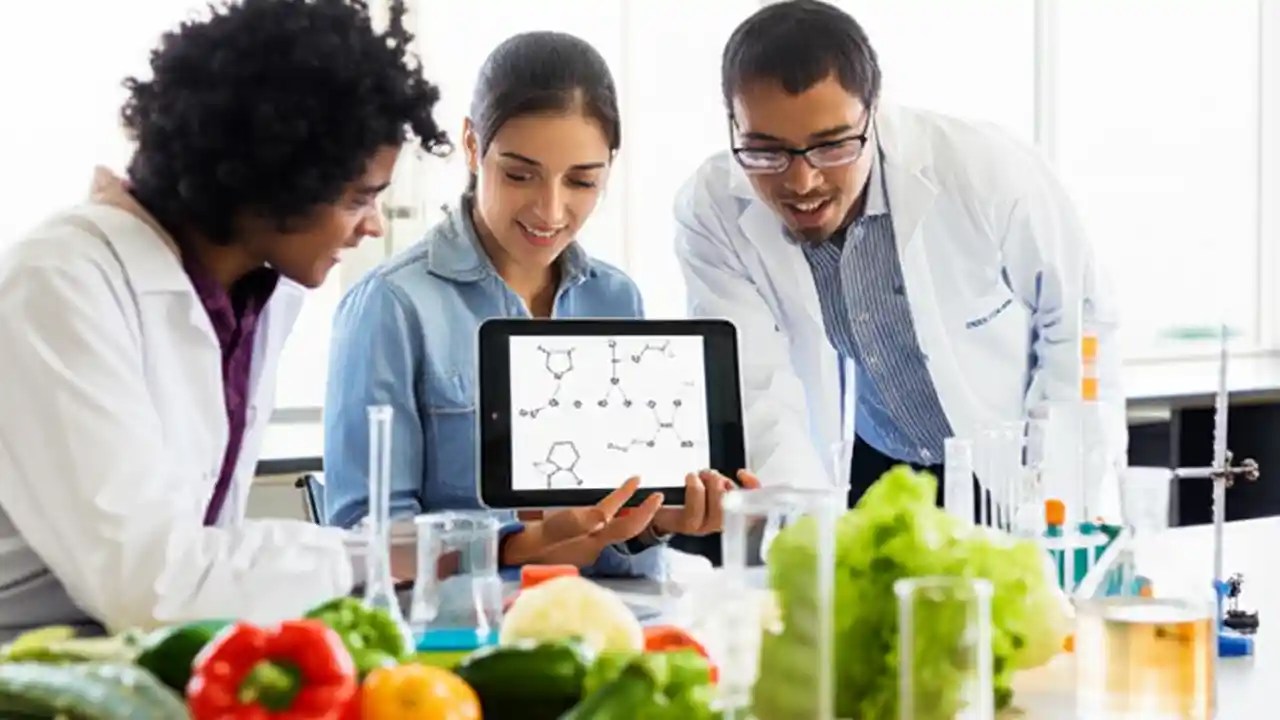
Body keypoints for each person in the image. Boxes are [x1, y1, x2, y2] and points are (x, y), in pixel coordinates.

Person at [0, 0, 448, 638]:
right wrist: (380, 557)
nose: (373, 225)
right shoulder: (59, 282)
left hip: (137, 655)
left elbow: (206, 554)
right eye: (358, 199)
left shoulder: (257, 293)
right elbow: (153, 584)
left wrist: (436, 551)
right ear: (276, 181)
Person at [324, 31, 758, 576]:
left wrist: (658, 519)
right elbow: (365, 538)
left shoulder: (615, 297)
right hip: (457, 632)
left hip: (605, 618)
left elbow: (612, 527)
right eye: (519, 174)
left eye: (581, 181)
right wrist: (516, 546)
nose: (551, 210)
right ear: (472, 146)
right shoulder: (392, 303)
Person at [674, 0, 1126, 509]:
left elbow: (1078, 324)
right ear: (731, 122)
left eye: (832, 146)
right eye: (765, 150)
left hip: (1001, 462)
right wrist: (803, 534)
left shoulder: (984, 169)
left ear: (873, 110)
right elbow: (757, 387)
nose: (802, 181)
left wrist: (1058, 500)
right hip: (865, 462)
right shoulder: (712, 209)